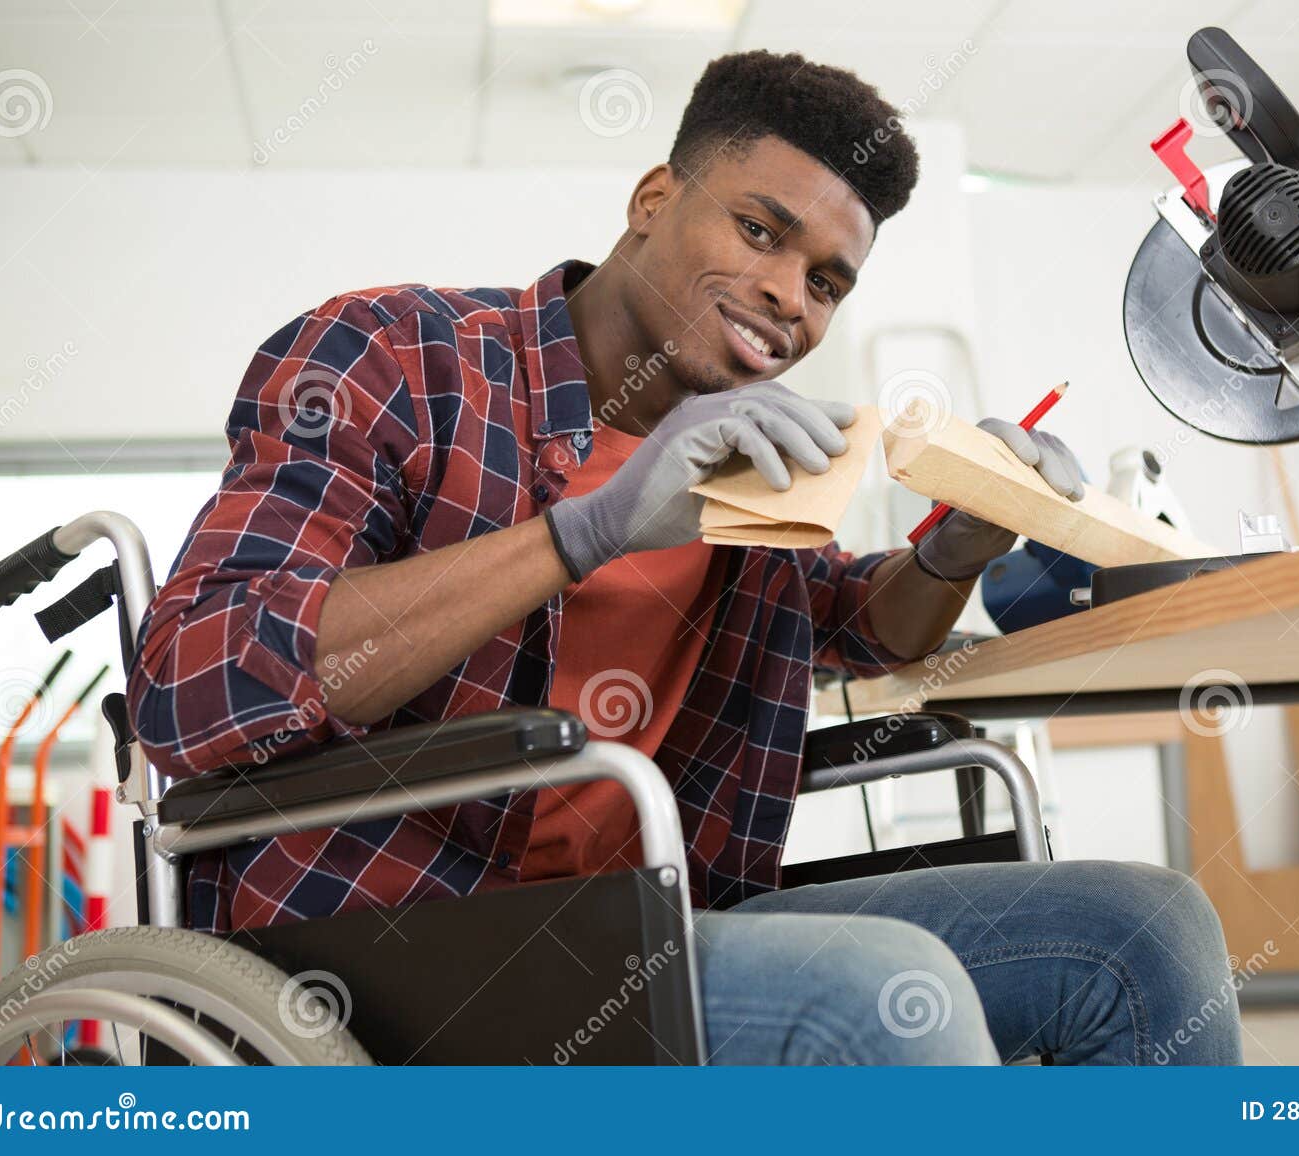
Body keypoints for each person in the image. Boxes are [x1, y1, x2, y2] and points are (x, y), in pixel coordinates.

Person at [129, 50, 1240, 1065]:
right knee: (879, 993)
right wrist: (587, 529)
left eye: (826, 281)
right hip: (392, 930)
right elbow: (191, 683)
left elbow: (857, 623)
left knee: (1148, 931)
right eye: (759, 231)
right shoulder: (393, 357)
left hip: (653, 918)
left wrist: (958, 545)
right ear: (652, 202)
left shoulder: (753, 451)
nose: (786, 297)